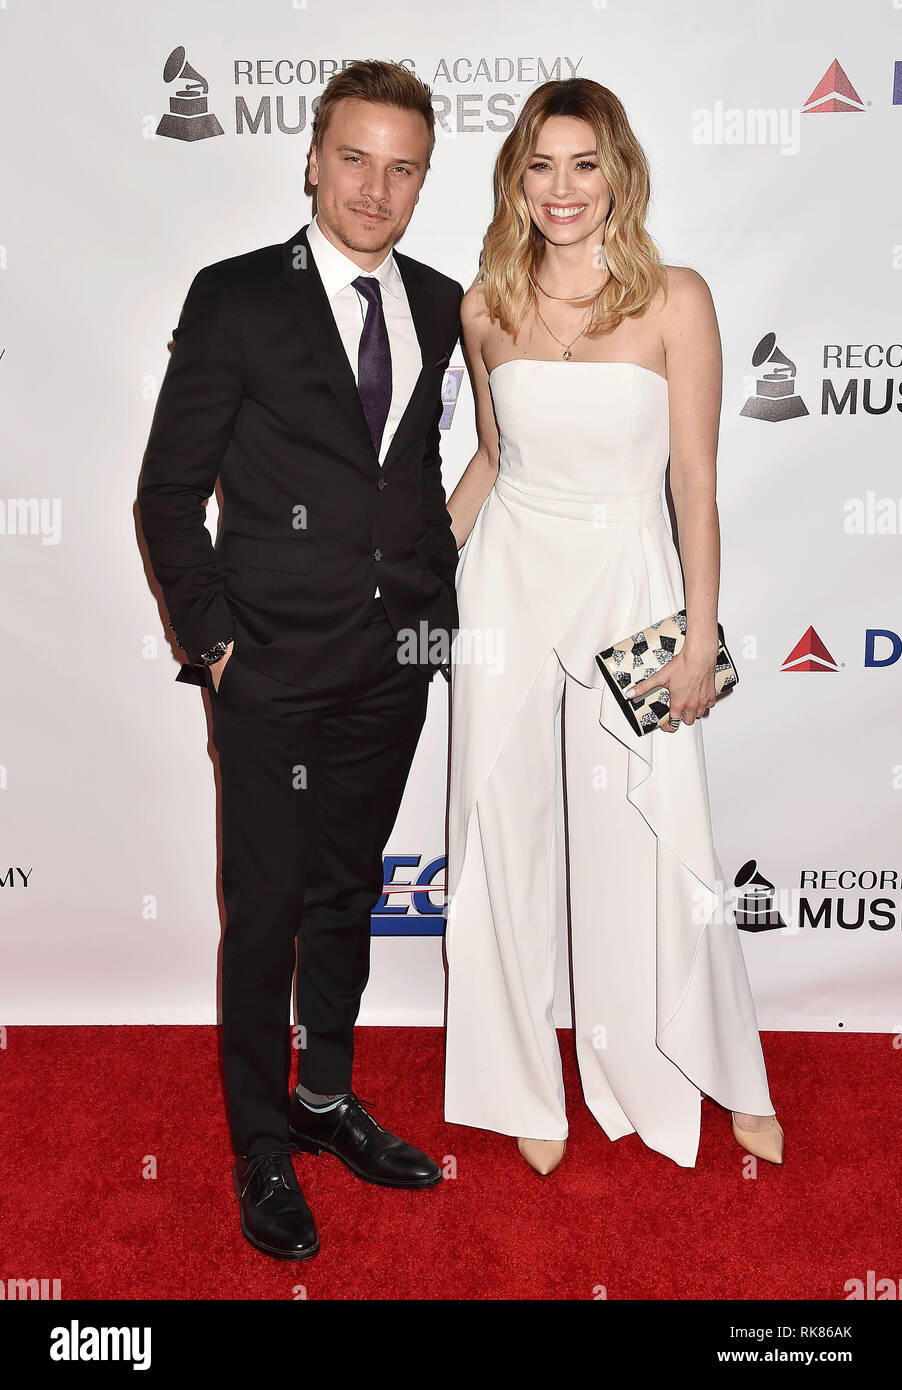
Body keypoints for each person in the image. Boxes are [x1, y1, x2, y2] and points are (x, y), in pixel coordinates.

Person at [138, 60, 463, 1259]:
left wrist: (435, 615)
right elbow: (168, 493)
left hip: (392, 664)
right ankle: (260, 1147)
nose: (375, 187)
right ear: (312, 159)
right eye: (355, 158)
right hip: (268, 666)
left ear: (423, 179)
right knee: (264, 906)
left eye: (402, 167)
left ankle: (325, 1100)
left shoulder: (437, 302)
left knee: (345, 895)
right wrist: (217, 647)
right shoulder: (232, 298)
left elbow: (415, 477)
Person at [443, 78, 783, 1175]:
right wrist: (399, 581)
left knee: (658, 834)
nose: (560, 189)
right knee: (496, 829)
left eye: (581, 164)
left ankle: (707, 1063)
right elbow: (490, 461)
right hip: (504, 582)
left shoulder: (675, 297)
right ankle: (516, 1083)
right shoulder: (484, 301)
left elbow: (694, 480)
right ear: (515, 178)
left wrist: (699, 636)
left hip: (634, 585)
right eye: (539, 166)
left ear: (617, 171)